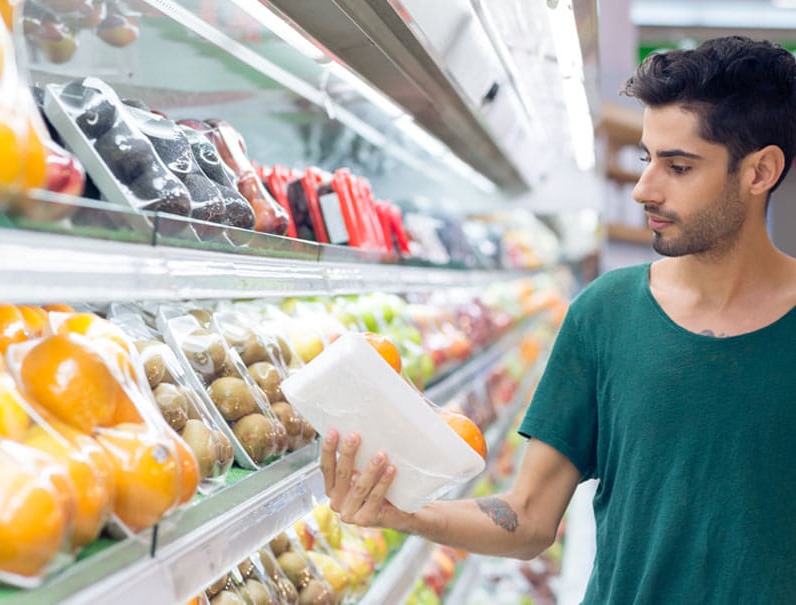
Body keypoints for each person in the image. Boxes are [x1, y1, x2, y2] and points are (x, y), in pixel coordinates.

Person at [320, 36, 796, 603]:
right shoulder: (606, 313)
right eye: (646, 159)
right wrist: (409, 515)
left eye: (678, 166)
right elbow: (529, 516)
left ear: (760, 171)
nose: (643, 189)